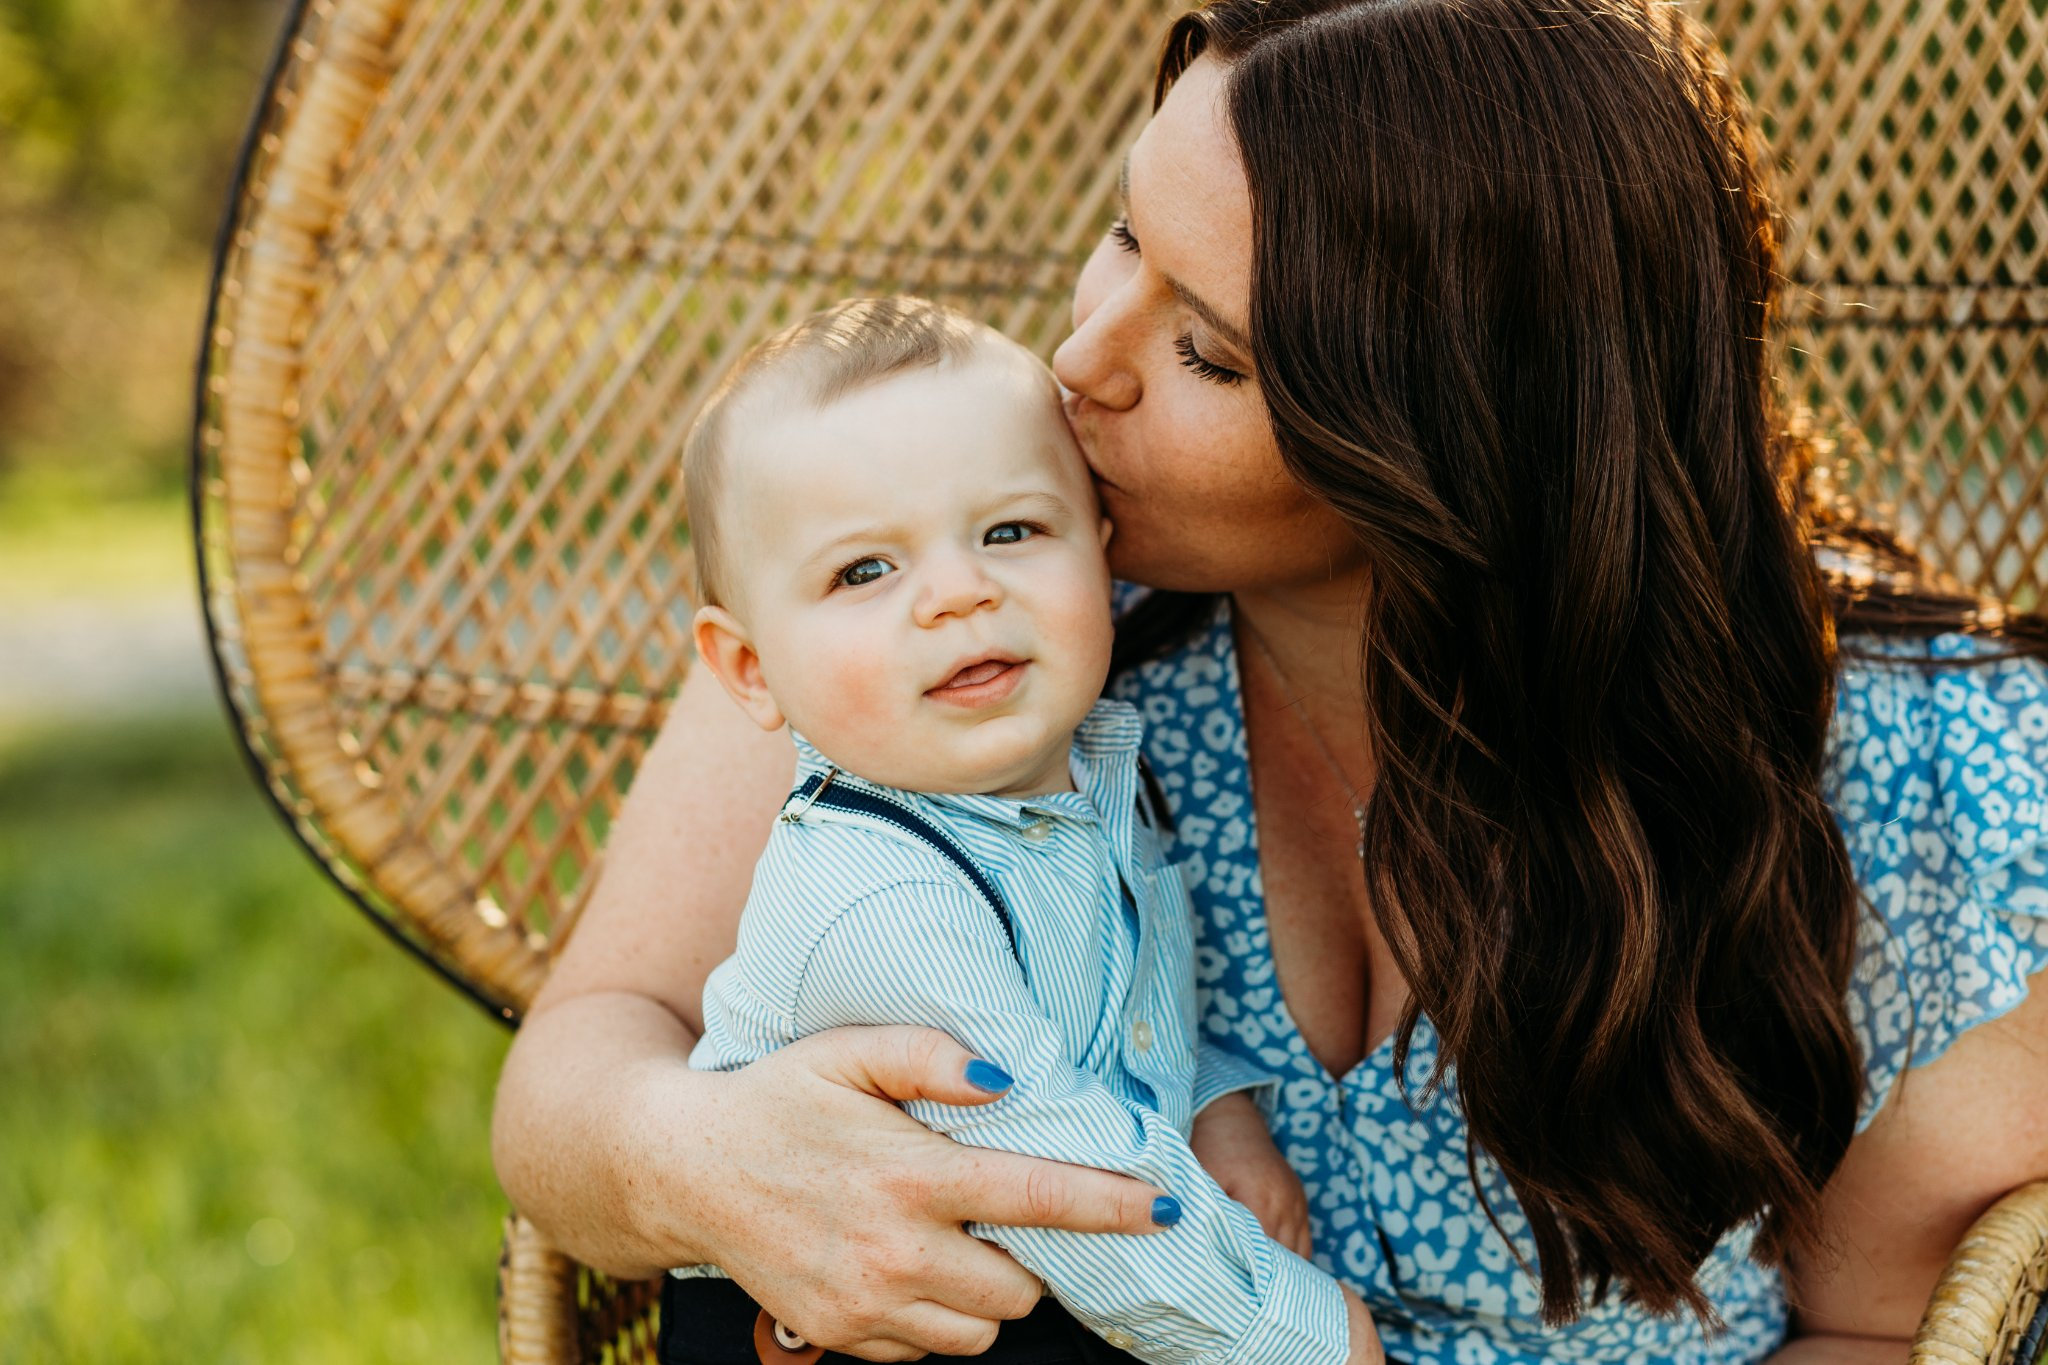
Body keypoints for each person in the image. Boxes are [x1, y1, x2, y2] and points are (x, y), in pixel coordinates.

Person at [491, 1, 2048, 1361]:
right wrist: (698, 1157)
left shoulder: (1930, 791)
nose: (1080, 363)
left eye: (1211, 354)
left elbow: (1881, 1334)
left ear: (1464, 434)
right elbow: (571, 1073)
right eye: (1120, 237)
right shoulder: (938, 607)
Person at [664, 293, 1375, 1364]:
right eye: (865, 569)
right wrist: (1307, 1340)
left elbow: (1118, 1008)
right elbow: (1058, 1176)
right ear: (750, 670)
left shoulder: (1082, 779)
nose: (957, 592)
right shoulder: (881, 901)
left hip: (1045, 1288)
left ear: (1099, 556)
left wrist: (1212, 1108)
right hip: (855, 1319)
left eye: (1009, 531)